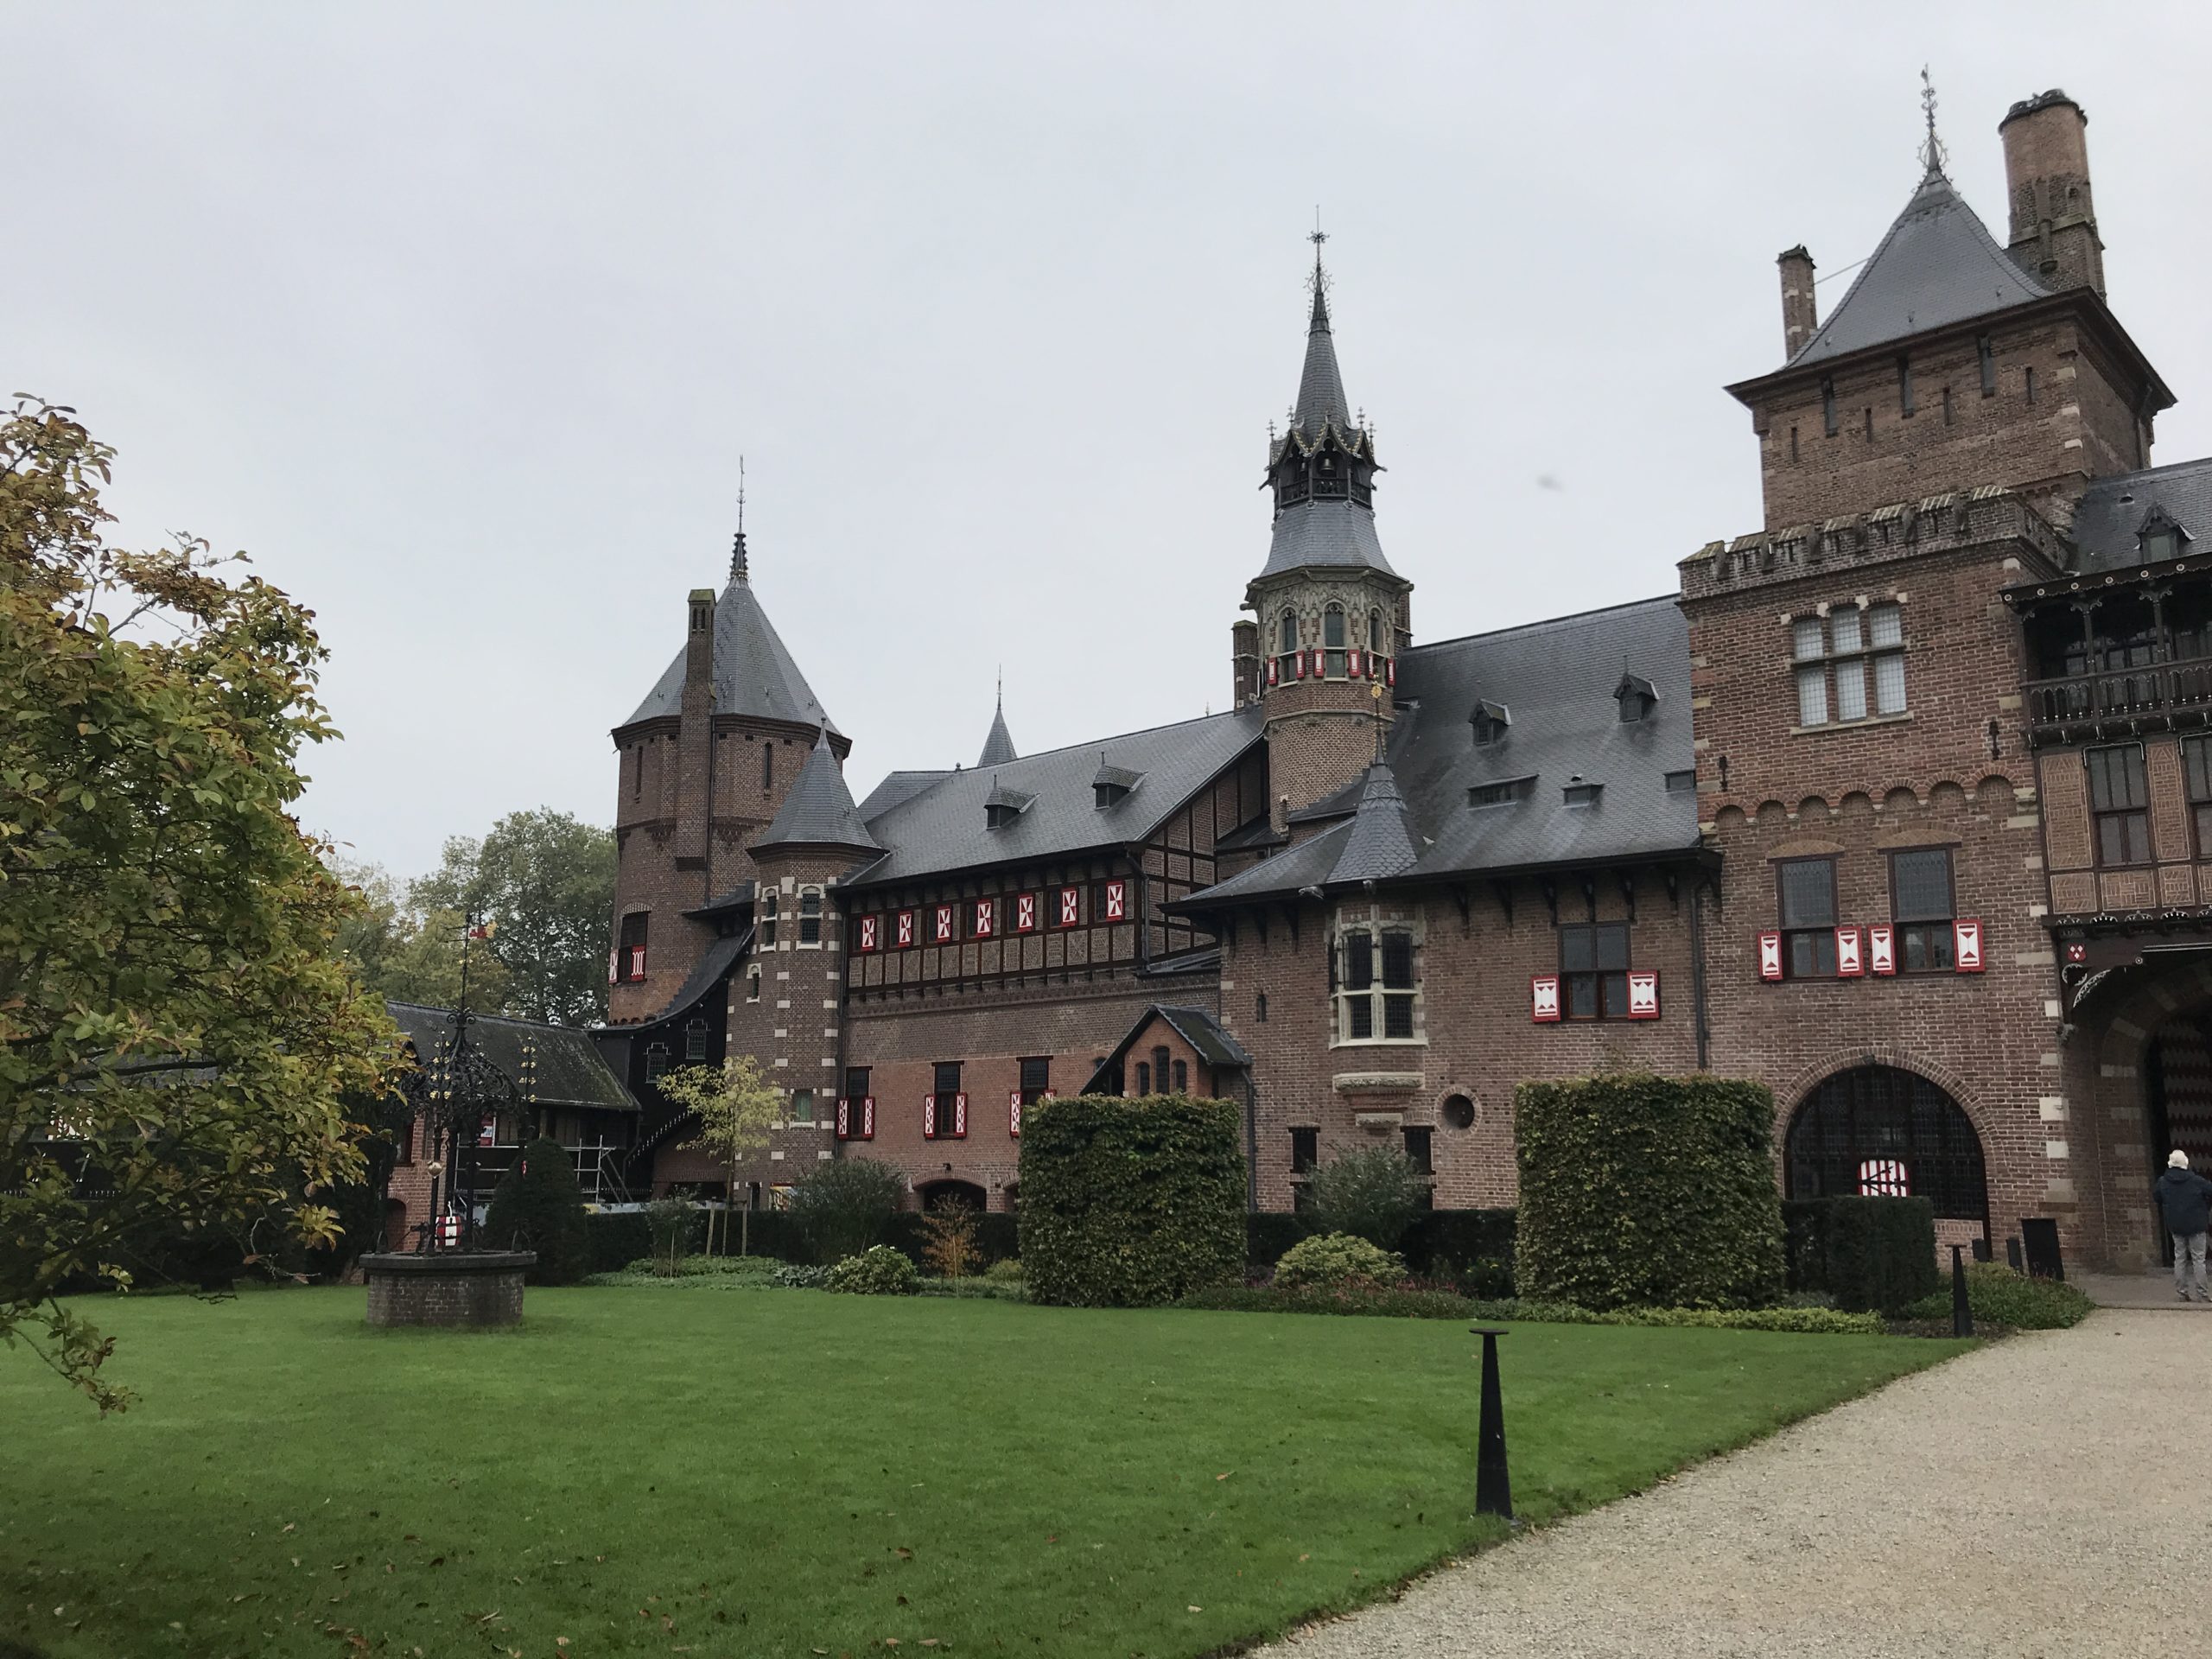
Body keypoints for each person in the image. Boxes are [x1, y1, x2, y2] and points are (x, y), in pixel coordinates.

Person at [2153, 1150, 2212, 1302]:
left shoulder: (2162, 1182)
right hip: (2197, 1225)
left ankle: (2182, 1293)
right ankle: (2203, 1294)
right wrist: (2205, 1205)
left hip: (2176, 1225)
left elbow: (2157, 1197)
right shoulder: (2196, 1181)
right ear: (2185, 1163)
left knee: (2179, 1258)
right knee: (2198, 1260)